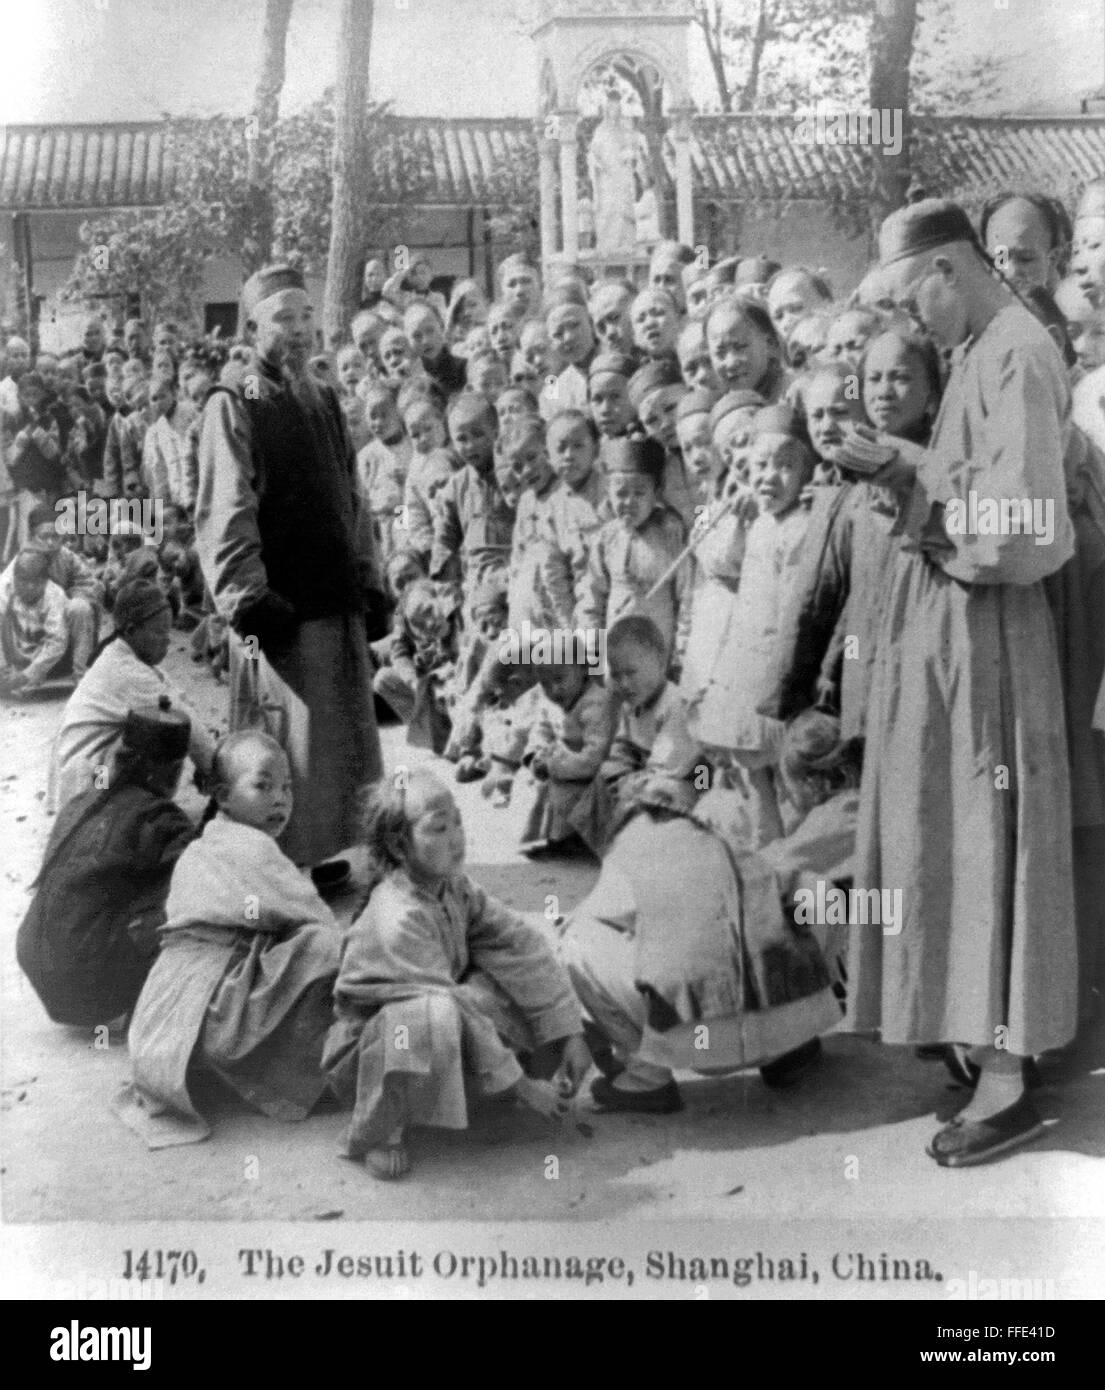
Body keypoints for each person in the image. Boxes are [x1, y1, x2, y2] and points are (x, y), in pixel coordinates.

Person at [833, 199, 1077, 1166]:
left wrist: (908, 475)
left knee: (991, 838)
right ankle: (982, 1036)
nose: (909, 324)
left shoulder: (1012, 350)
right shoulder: (984, 341)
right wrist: (908, 465)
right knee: (958, 831)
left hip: (987, 632)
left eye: (908, 298)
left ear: (944, 269)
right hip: (952, 628)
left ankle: (1011, 1076)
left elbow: (1020, 525)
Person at [560, 709, 847, 1113]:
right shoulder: (724, 837)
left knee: (575, 937)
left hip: (703, 1046)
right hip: (781, 1020)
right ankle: (792, 1047)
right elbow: (780, 880)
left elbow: (608, 913)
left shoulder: (629, 847)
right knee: (817, 891)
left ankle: (646, 1077)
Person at [195, 264, 383, 867]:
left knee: (339, 745)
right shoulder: (234, 402)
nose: (300, 331)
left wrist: (368, 575)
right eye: (284, 318)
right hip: (281, 610)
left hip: (333, 598)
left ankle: (328, 851)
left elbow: (352, 499)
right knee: (288, 744)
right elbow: (227, 505)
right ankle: (283, 865)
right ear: (251, 327)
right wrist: (245, 597)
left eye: (307, 317)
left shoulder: (323, 398)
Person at [322, 769, 590, 1179]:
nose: (457, 837)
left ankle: (478, 1083)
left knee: (500, 969)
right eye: (439, 827)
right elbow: (453, 1004)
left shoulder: (453, 886)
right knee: (428, 1015)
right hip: (369, 1055)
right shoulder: (398, 915)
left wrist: (569, 1032)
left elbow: (518, 941)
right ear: (399, 844)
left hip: (443, 1012)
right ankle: (379, 1130)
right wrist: (523, 1087)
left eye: (459, 821)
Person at [118, 730, 341, 1148]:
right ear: (222, 796)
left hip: (163, 1021)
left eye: (287, 788)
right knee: (325, 949)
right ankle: (292, 1073)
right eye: (263, 785)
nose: (281, 799)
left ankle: (213, 1067)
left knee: (286, 948)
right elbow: (318, 919)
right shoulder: (254, 849)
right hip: (214, 1013)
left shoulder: (204, 845)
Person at [17, 701, 196, 1027]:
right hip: (88, 985)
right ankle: (148, 1011)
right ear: (173, 771)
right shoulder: (164, 820)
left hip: (35, 958)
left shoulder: (82, 801)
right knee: (193, 889)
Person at [49, 577, 214, 810]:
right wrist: (215, 769)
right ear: (132, 630)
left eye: (168, 633)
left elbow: (175, 693)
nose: (167, 641)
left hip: (81, 769)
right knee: (169, 729)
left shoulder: (122, 655)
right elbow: (188, 723)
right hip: (89, 780)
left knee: (159, 723)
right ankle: (112, 813)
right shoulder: (126, 671)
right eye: (159, 633)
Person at [577, 436, 688, 658]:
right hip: (615, 641)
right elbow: (592, 593)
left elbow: (687, 594)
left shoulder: (671, 532)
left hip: (658, 641)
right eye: (620, 493)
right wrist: (590, 642)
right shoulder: (606, 537)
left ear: (656, 493)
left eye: (639, 493)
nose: (628, 502)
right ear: (608, 492)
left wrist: (682, 648)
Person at [0, 503, 101, 680]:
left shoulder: (66, 557)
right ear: (31, 536)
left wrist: (66, 601)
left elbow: (90, 584)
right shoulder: (19, 566)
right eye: (44, 536)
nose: (50, 542)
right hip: (29, 637)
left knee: (80, 608)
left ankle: (80, 673)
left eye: (55, 536)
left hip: (62, 632)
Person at [0, 549, 69, 697]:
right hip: (20, 651)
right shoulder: (5, 589)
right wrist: (2, 668)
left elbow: (57, 643)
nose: (30, 587)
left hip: (50, 660)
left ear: (45, 581)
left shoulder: (54, 595)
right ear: (14, 578)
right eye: (23, 580)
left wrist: (27, 675)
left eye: (36, 581)